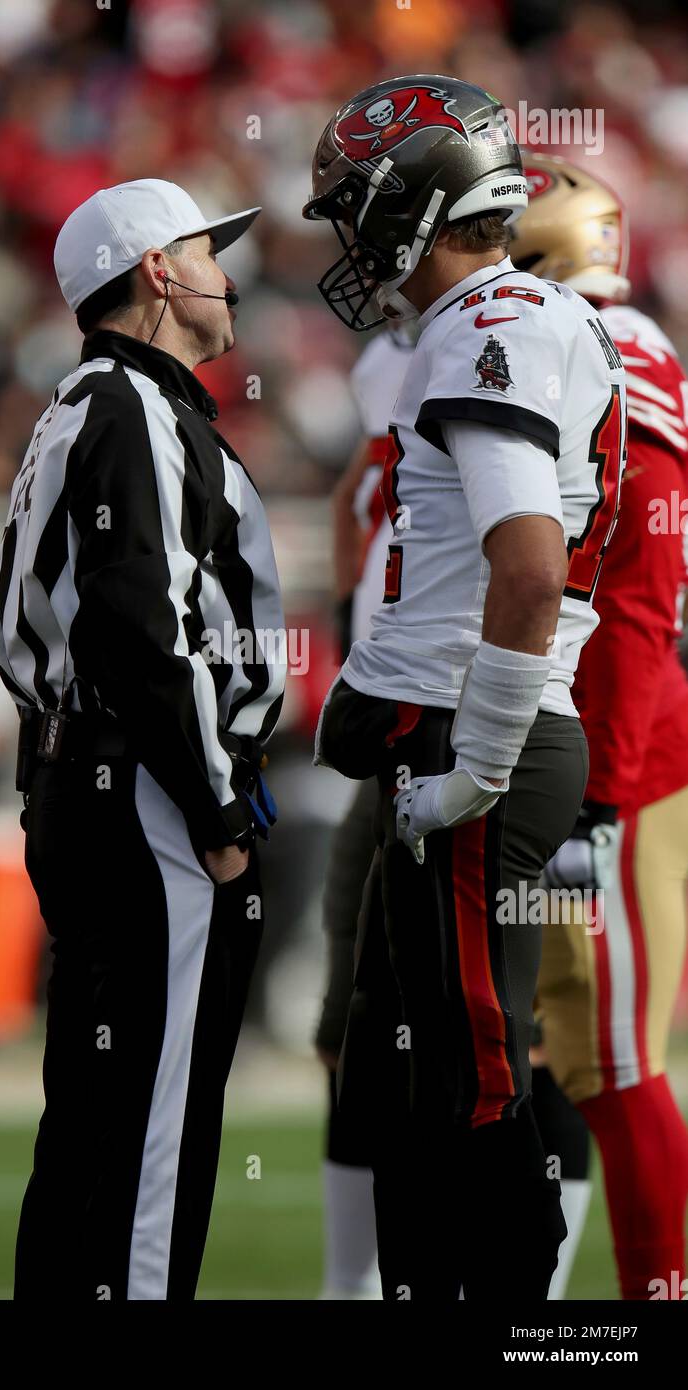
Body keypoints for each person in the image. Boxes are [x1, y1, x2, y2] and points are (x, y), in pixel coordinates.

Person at [303, 75, 626, 1299]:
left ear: (415, 203)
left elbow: (529, 572)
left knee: (470, 1074)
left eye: (357, 205)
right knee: (409, 1072)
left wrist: (475, 764)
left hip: (472, 732)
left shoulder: (494, 321)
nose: (347, 234)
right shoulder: (488, 317)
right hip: (445, 724)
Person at [0, 179, 286, 1301]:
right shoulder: (129, 406)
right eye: (208, 252)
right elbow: (139, 622)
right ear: (158, 271)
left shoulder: (81, 406)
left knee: (89, 1126)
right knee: (153, 1138)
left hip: (92, 782)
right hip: (151, 797)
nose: (227, 276)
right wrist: (218, 811)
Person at [512, 153, 688, 1301]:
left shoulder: (601, 354)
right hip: (586, 745)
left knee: (613, 1060)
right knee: (564, 1052)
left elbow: (635, 592)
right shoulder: (614, 341)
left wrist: (597, 793)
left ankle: (655, 1300)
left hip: (614, 758)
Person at [316, 320, 416, 1300]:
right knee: (348, 1028)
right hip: (383, 751)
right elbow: (354, 505)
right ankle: (347, 1285)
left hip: (461, 740)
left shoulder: (508, 350)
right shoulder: (391, 363)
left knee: (500, 1046)